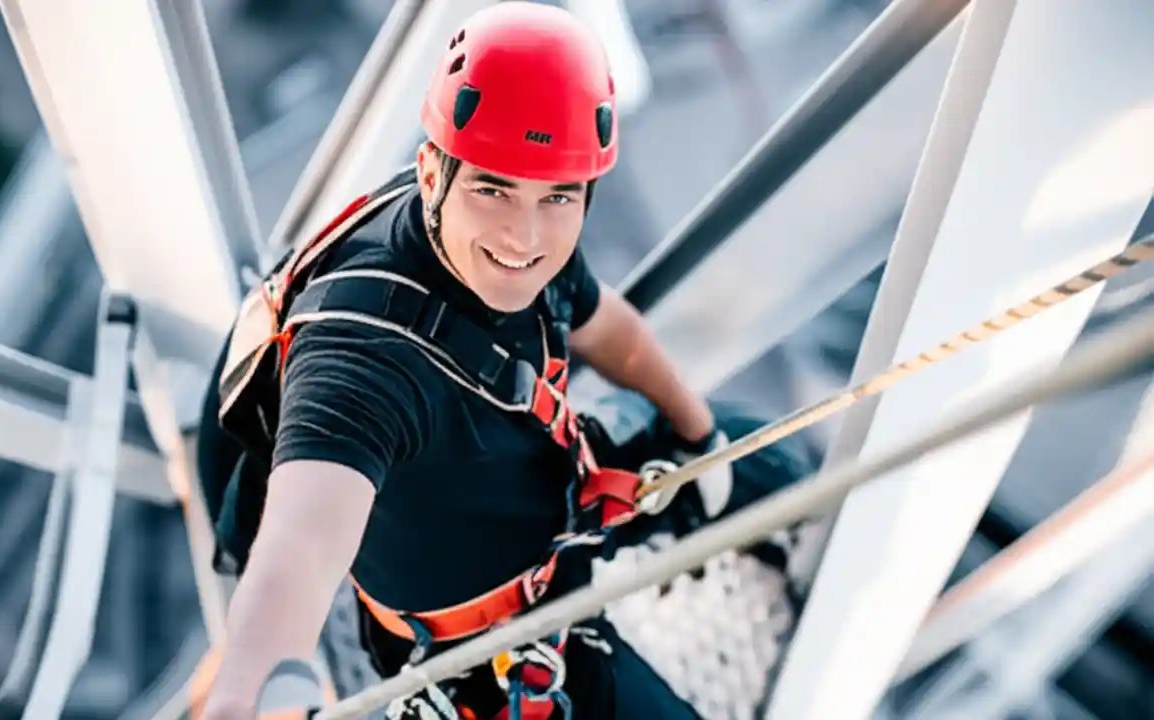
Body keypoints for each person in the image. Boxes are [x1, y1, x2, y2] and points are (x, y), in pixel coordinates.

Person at [199, 4, 808, 718]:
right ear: (431, 174)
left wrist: (700, 438)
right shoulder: (361, 361)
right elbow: (300, 550)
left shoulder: (521, 216)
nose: (525, 237)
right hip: (488, 650)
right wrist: (247, 694)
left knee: (770, 463)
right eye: (493, 190)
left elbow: (613, 333)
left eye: (558, 198)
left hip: (551, 493)